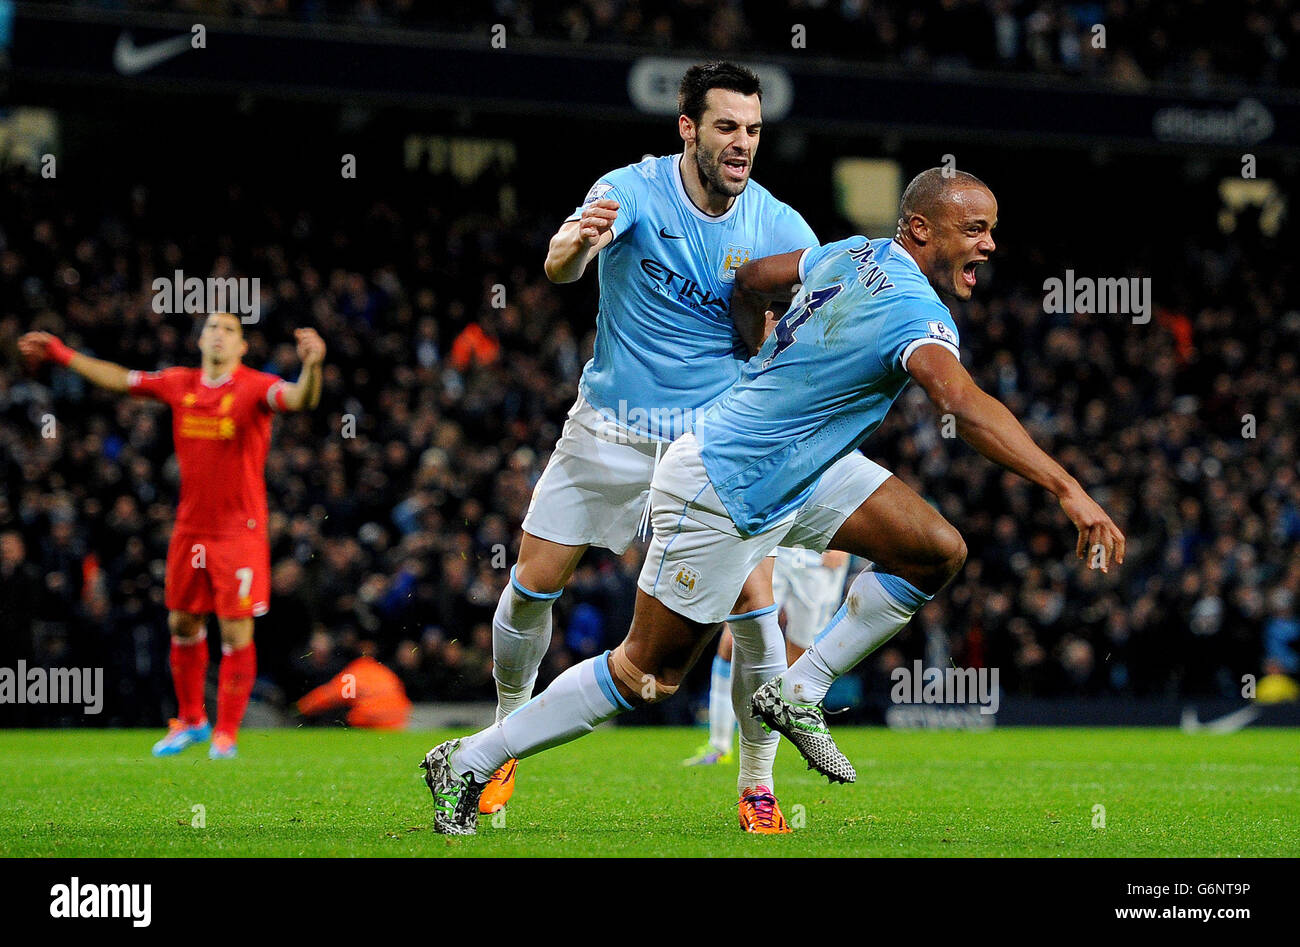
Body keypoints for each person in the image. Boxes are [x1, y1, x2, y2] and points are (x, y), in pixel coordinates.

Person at [421, 168, 1125, 834]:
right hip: (722, 484)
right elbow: (960, 401)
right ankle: (469, 759)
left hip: (801, 471)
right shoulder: (913, 308)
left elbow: (754, 279)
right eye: (974, 228)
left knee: (935, 549)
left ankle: (799, 689)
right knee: (647, 675)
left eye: (991, 228)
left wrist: (758, 358)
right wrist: (1069, 489)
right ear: (919, 229)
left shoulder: (850, 252)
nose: (989, 243)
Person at [481, 60, 818, 832]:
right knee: (531, 585)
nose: (742, 144)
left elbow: (815, 325)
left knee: (756, 612)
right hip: (610, 430)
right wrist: (572, 244)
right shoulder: (631, 189)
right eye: (728, 127)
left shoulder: (779, 225)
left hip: (715, 447)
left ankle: (757, 784)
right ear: (688, 129)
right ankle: (502, 736)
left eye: (755, 130)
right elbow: (562, 264)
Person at [19, 313, 326, 758]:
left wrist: (312, 366)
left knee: (235, 630)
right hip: (190, 530)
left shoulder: (256, 386)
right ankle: (191, 721)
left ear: (241, 347)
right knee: (182, 623)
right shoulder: (180, 383)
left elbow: (300, 398)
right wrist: (62, 354)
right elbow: (121, 379)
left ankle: (227, 733)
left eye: (229, 330)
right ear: (201, 340)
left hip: (239, 532)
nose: (218, 335)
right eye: (212, 328)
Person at [683, 547, 850, 766]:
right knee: (733, 641)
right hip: (774, 546)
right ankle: (719, 745)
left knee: (800, 656)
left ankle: (793, 743)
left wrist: (844, 546)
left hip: (818, 553)